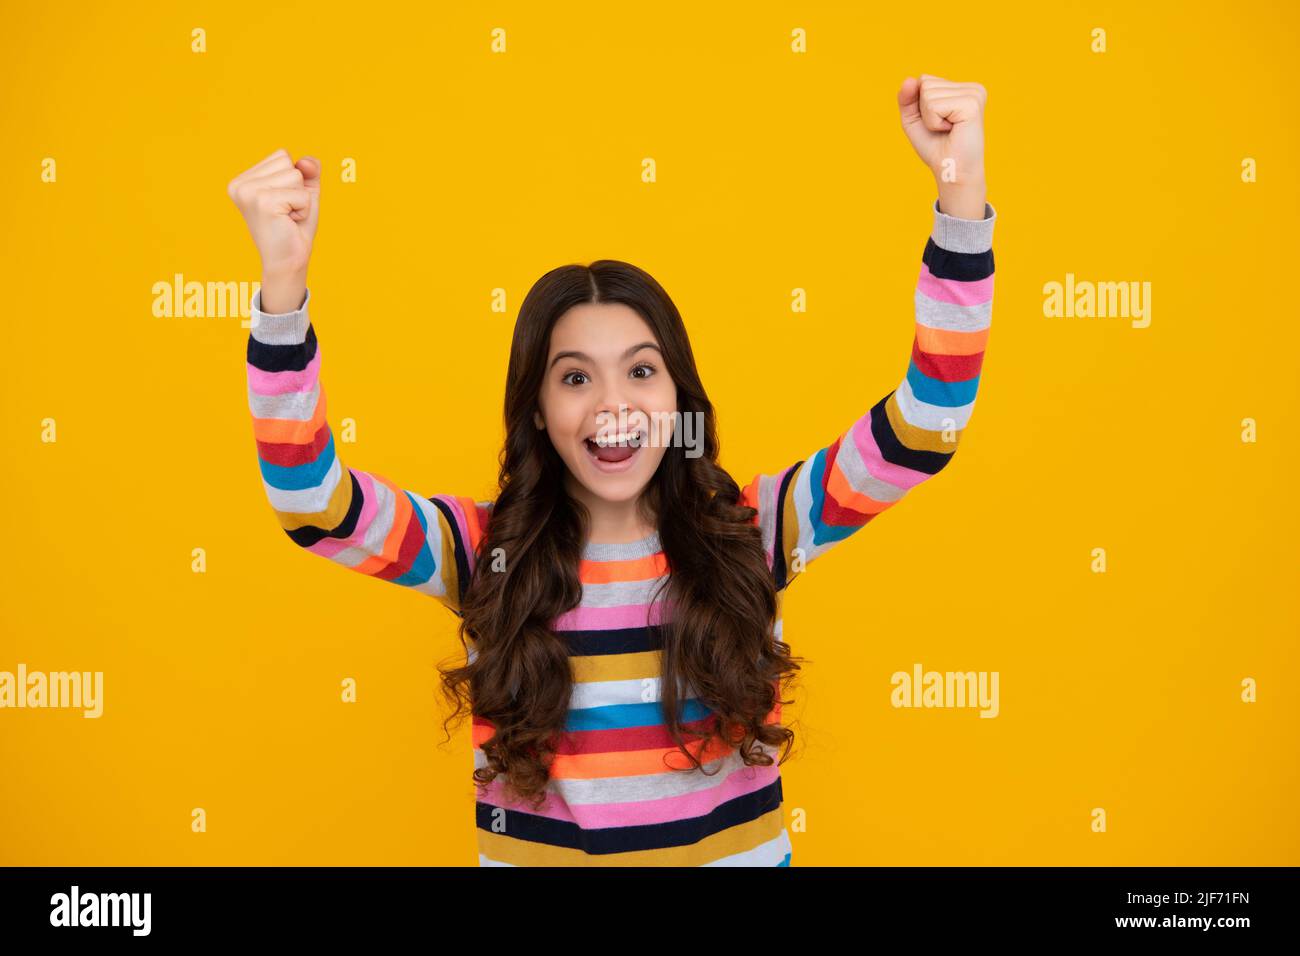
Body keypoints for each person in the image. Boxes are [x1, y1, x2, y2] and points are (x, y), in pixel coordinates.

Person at [229, 73, 997, 866]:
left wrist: (961, 192)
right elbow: (311, 503)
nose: (613, 407)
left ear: (677, 393)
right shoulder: (480, 550)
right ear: (535, 408)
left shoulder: (755, 529)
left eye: (640, 372)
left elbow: (923, 428)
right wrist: (283, 289)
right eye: (574, 377)